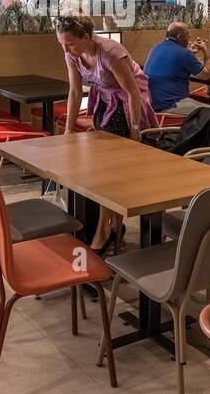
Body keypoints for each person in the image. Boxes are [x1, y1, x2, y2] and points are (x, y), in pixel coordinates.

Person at [57, 16, 156, 251]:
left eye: (70, 43)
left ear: (88, 37)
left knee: (108, 171)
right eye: (61, 43)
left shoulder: (111, 52)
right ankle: (112, 226)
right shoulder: (70, 54)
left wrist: (135, 130)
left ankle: (103, 232)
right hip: (104, 99)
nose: (66, 48)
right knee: (103, 167)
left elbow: (132, 92)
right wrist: (69, 129)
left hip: (126, 103)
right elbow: (73, 91)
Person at [145, 22, 210, 116]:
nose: (189, 38)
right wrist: (205, 51)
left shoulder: (156, 48)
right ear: (179, 37)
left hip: (151, 104)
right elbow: (206, 75)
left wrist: (189, 53)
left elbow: (173, 66)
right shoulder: (184, 54)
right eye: (188, 35)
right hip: (171, 106)